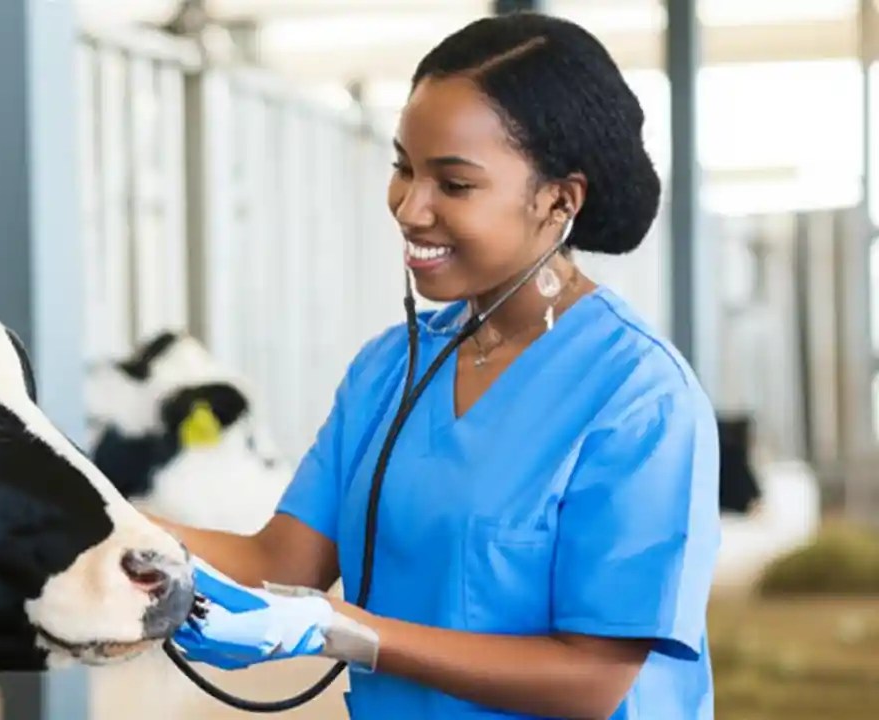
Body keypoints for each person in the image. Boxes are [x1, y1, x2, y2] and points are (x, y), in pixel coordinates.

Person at [155, 11, 720, 720]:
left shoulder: (639, 397)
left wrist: (346, 633)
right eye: (403, 168)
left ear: (559, 200)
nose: (409, 207)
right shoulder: (388, 369)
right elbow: (282, 562)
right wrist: (98, 520)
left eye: (453, 185)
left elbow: (593, 679)